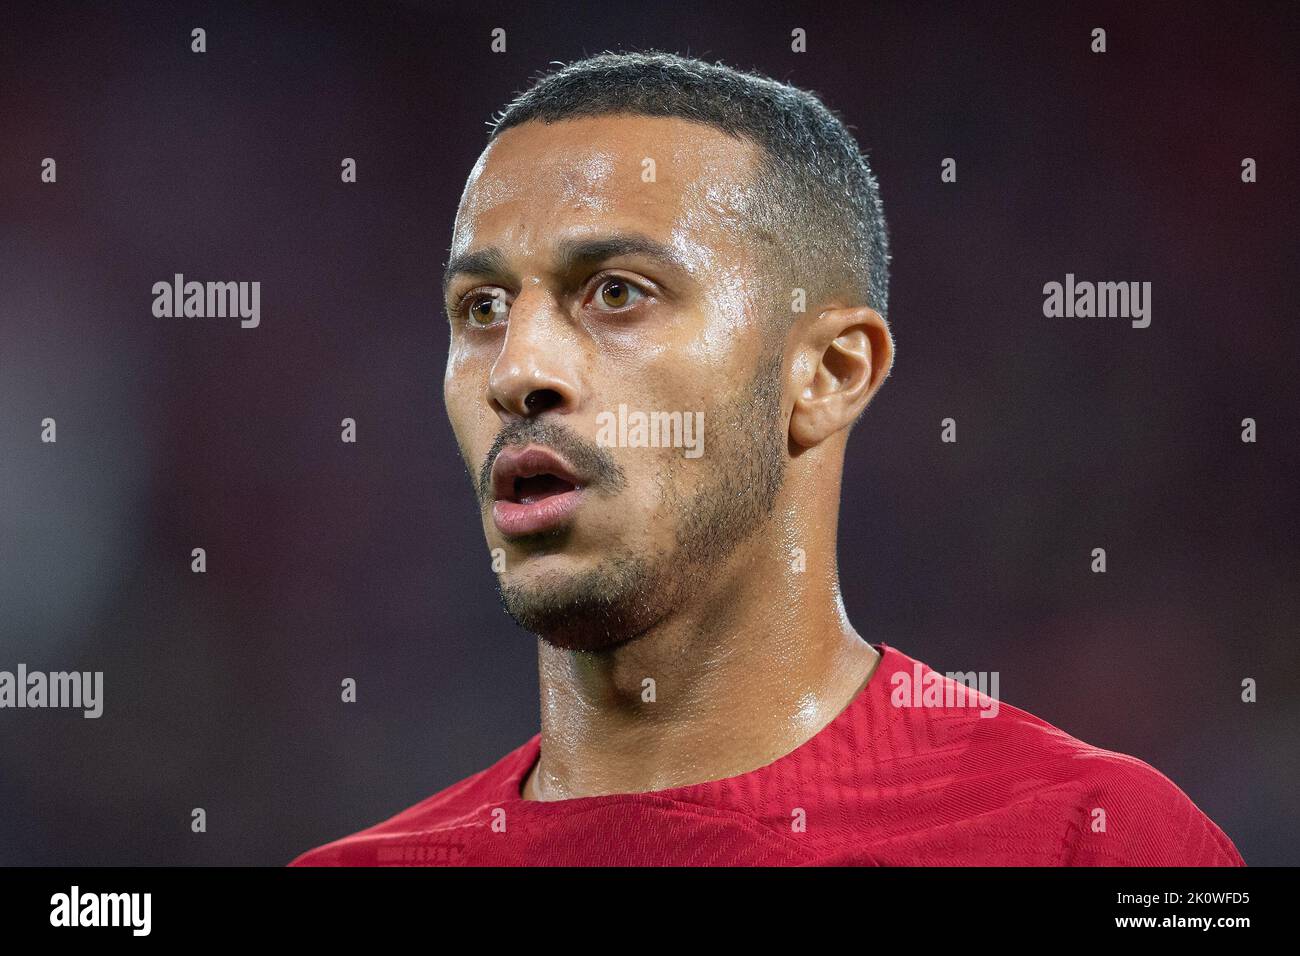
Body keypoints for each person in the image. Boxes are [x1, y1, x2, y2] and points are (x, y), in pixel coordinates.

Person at [291, 51, 1242, 866]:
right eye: (482, 309)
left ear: (828, 372)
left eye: (617, 292)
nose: (517, 372)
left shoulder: (1090, 841)